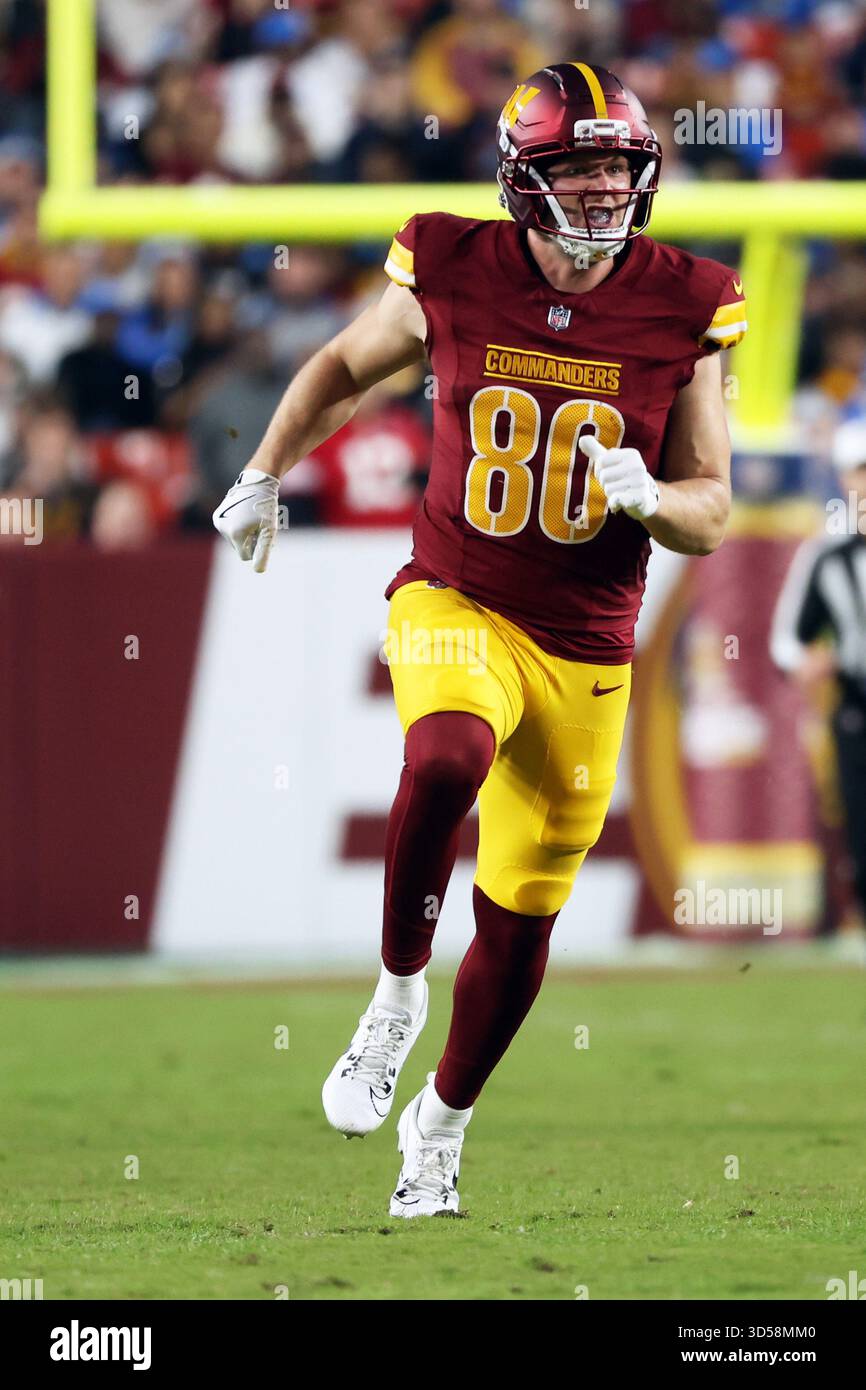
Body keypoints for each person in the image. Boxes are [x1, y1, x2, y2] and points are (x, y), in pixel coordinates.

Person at [212, 63, 748, 1217]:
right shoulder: (452, 261)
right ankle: (394, 995)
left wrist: (652, 499)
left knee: (519, 914)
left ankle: (440, 1125)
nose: (605, 188)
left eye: (619, 165)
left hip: (586, 648)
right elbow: (346, 367)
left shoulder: (685, 300)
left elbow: (711, 502)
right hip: (456, 595)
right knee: (446, 752)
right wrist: (262, 470)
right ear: (522, 177)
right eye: (581, 164)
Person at [771, 417, 866, 930]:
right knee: (858, 819)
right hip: (856, 702)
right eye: (861, 471)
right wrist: (806, 662)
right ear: (844, 479)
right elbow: (785, 640)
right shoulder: (827, 554)